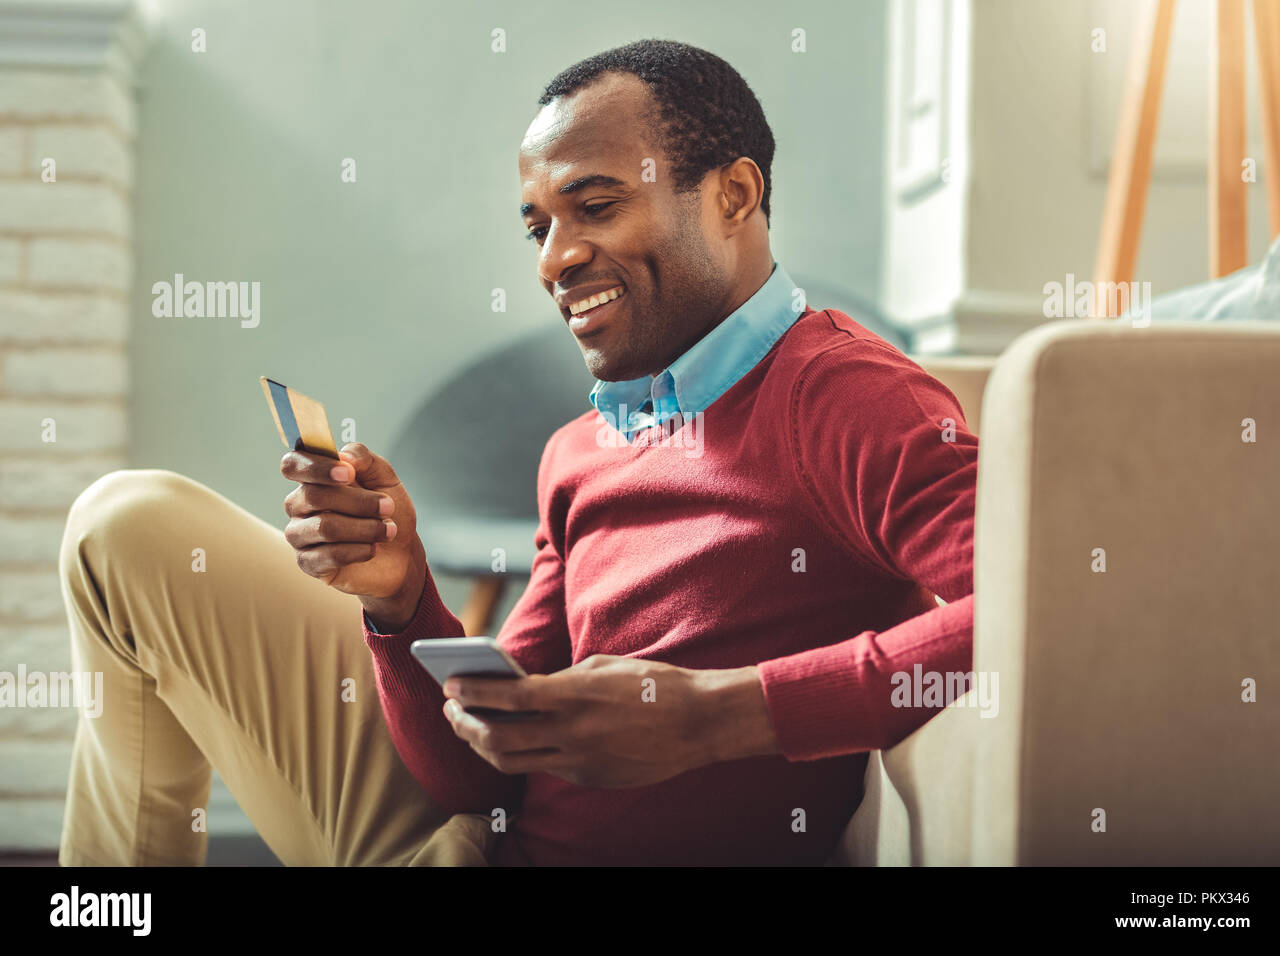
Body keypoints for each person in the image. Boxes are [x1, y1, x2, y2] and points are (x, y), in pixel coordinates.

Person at [58, 39, 976, 866]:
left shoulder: (844, 395)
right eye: (540, 227)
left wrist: (719, 717)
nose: (554, 259)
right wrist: (401, 596)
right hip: (481, 842)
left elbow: (1041, 617)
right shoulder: (581, 448)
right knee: (126, 528)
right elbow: (476, 785)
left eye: (596, 207)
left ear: (734, 195)